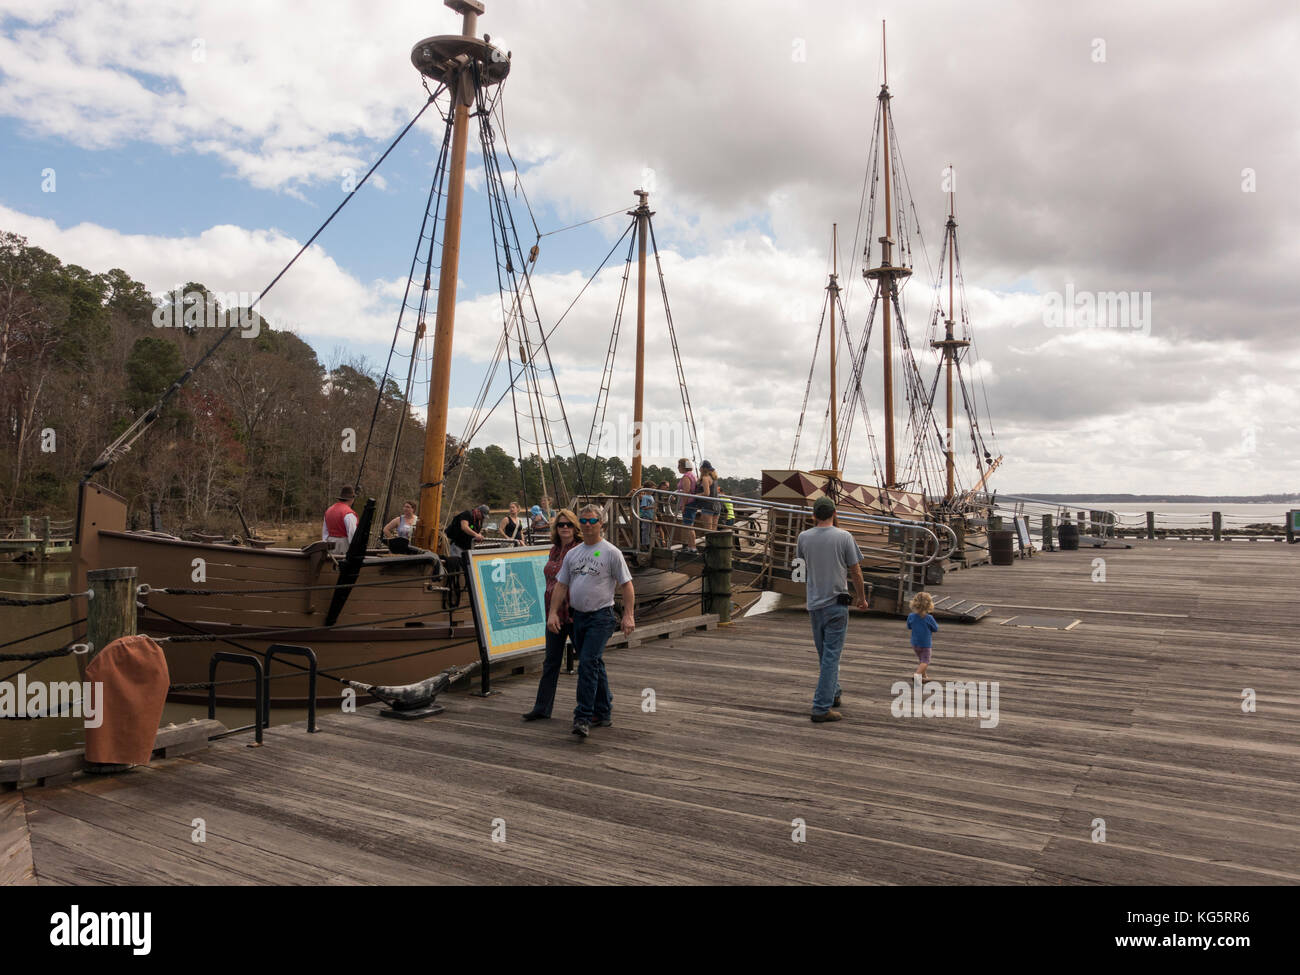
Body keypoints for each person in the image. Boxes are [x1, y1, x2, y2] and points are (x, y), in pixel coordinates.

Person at [547, 503, 635, 738]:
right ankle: (603, 710)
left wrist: (628, 615)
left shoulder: (611, 552)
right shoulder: (573, 554)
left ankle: (583, 716)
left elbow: (627, 585)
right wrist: (553, 613)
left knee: (586, 663)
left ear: (601, 524)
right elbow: (561, 584)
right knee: (594, 663)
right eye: (583, 522)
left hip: (601, 616)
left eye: (591, 521)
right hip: (579, 617)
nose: (587, 526)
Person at [796, 496, 868, 723]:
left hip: (814, 604)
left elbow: (798, 571)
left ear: (814, 515)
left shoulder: (803, 538)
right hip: (837, 604)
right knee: (831, 656)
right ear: (835, 513)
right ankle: (820, 707)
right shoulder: (844, 537)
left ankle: (833, 692)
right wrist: (862, 598)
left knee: (825, 654)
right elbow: (855, 571)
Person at [521, 509, 582, 722]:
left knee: (588, 662)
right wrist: (552, 612)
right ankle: (542, 707)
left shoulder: (581, 550)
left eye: (569, 525)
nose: (564, 528)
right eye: (560, 525)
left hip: (574, 613)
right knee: (551, 662)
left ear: (576, 528)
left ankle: (602, 704)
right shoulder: (554, 550)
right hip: (554, 613)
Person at [907, 591, 939, 680]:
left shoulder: (911, 616)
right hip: (925, 644)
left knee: (922, 660)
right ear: (929, 605)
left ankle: (924, 677)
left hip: (915, 644)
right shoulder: (929, 618)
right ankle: (917, 675)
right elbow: (936, 629)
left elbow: (909, 626)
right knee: (926, 661)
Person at [322, 485, 359, 555]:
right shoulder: (349, 513)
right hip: (343, 546)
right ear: (352, 499)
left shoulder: (328, 510)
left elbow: (325, 534)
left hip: (330, 546)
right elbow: (353, 535)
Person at [675, 458, 699, 552]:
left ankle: (693, 547)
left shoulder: (686, 476)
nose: (678, 468)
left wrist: (684, 505)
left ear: (683, 467)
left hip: (689, 503)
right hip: (692, 503)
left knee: (688, 525)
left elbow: (687, 491)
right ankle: (690, 546)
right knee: (689, 525)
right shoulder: (692, 475)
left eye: (679, 465)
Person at [696, 460, 720, 533]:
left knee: (708, 531)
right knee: (714, 530)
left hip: (708, 506)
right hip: (717, 506)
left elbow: (706, 493)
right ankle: (714, 544)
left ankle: (710, 544)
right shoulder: (714, 478)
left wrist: (696, 495)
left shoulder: (705, 478)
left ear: (702, 468)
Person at [638, 480, 657, 548]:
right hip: (646, 516)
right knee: (645, 531)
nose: (653, 490)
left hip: (651, 516)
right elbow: (644, 507)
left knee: (649, 531)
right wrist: (653, 507)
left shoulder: (651, 497)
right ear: (647, 489)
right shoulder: (645, 497)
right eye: (652, 489)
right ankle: (644, 545)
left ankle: (649, 544)